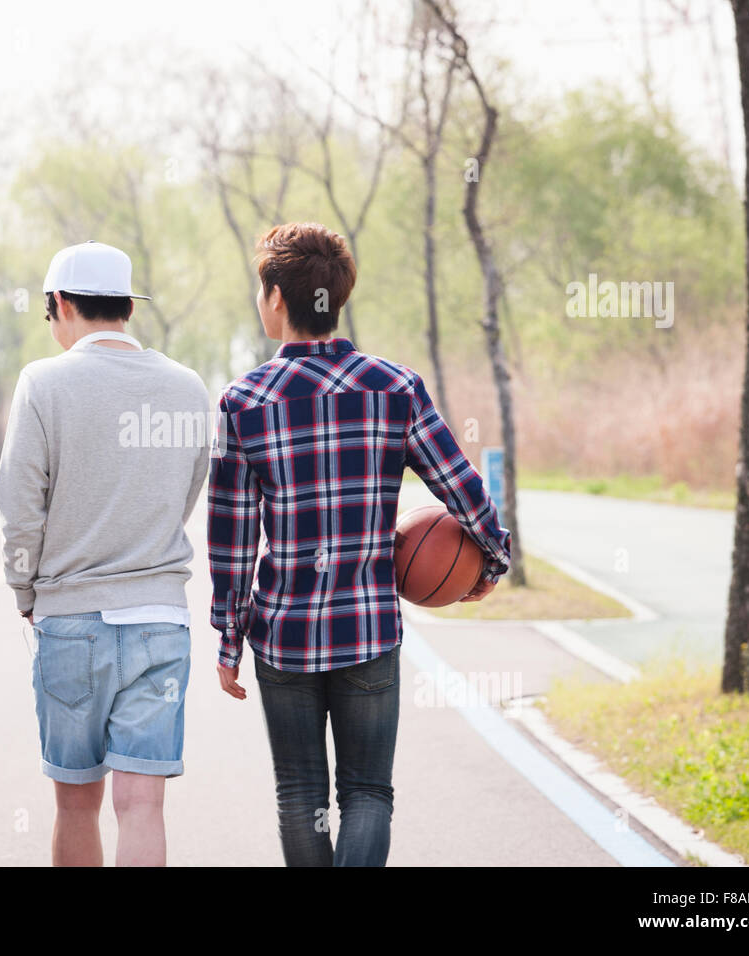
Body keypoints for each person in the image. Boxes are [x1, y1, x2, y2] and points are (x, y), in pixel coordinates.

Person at [207, 222, 511, 867]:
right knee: (368, 792)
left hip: (283, 635)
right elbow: (460, 484)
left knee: (299, 795)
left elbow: (231, 537)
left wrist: (228, 636)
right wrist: (493, 555)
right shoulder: (395, 387)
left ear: (276, 297)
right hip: (367, 629)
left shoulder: (244, 401)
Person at [0, 240, 212, 867]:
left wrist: (25, 592)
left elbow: (18, 509)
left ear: (60, 304)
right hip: (159, 620)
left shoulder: (43, 382)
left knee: (75, 806)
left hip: (71, 621)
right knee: (142, 806)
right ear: (127, 307)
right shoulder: (186, 385)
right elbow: (186, 490)